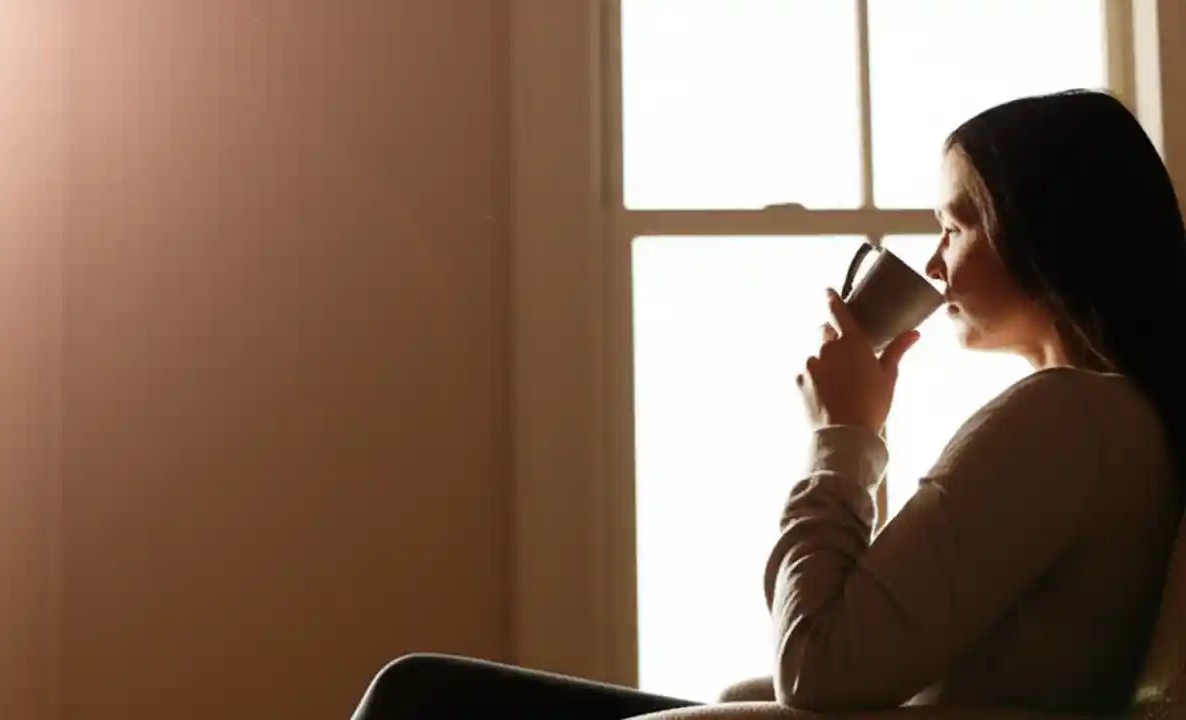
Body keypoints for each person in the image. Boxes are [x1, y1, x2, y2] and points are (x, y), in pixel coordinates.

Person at [350, 89, 1186, 719]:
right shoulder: (1122, 421)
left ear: (1042, 229)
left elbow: (819, 665)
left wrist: (843, 439)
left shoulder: (1064, 418)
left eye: (955, 227)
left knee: (420, 697)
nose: (935, 265)